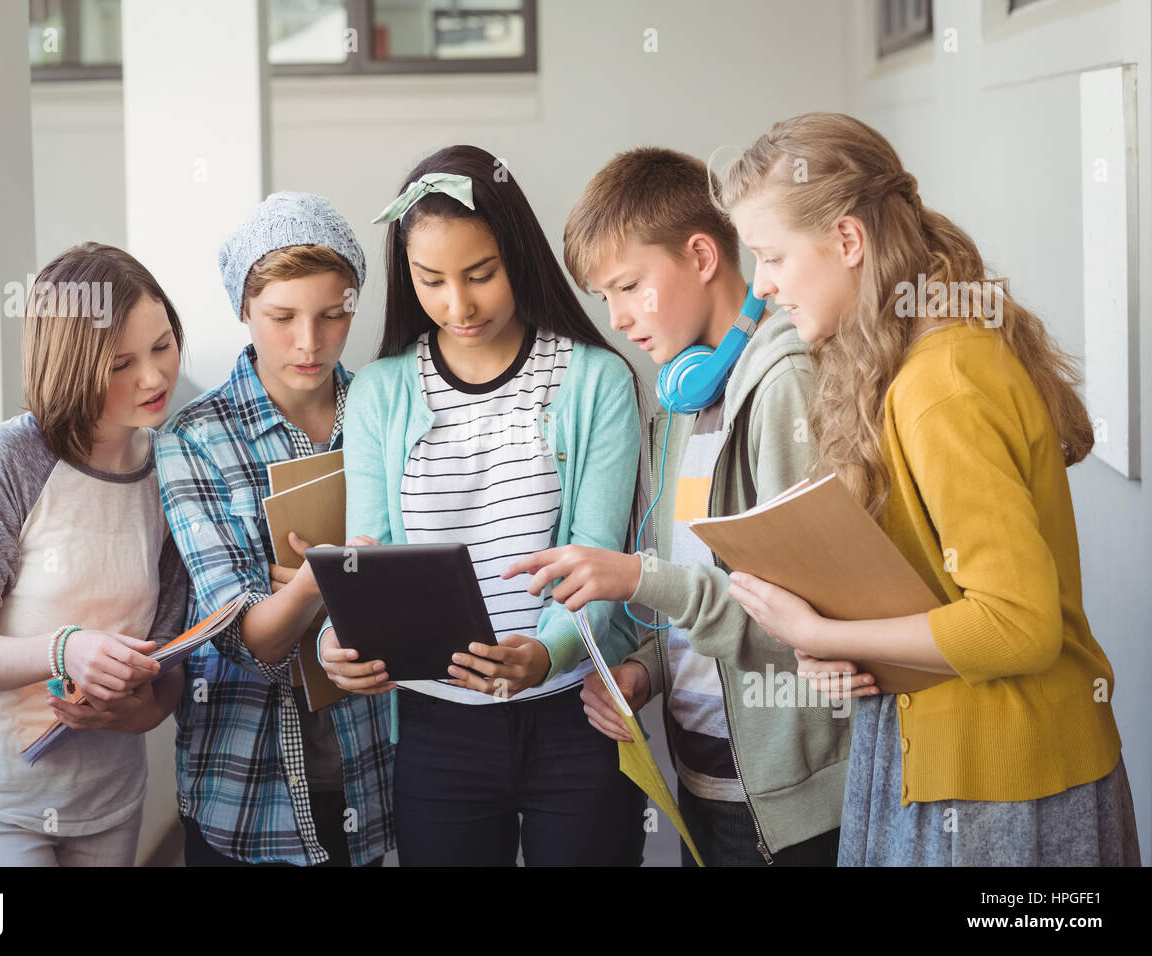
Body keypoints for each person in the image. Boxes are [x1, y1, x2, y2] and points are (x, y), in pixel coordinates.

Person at [718, 112, 1139, 866]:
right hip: (935, 752)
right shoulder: (892, 354)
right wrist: (855, 653)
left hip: (1005, 780)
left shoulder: (940, 382)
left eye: (772, 255)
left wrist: (823, 636)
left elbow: (1018, 628)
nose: (763, 286)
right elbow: (938, 597)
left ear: (847, 241)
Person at [509, 146, 853, 866]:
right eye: (606, 297)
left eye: (630, 286)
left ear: (701, 254)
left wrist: (634, 579)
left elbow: (798, 618)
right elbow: (698, 581)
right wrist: (646, 671)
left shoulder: (783, 379)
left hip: (790, 804)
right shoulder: (682, 395)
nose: (618, 318)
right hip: (710, 779)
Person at [319, 145, 646, 866]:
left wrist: (543, 655)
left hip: (576, 712)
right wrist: (332, 646)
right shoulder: (379, 393)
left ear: (518, 257)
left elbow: (597, 564)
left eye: (481, 275)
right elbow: (363, 561)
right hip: (438, 729)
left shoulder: (596, 382)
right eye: (430, 281)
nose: (458, 306)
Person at [0, 242, 189, 866]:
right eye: (122, 362)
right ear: (71, 364)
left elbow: (170, 662)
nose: (153, 378)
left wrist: (139, 710)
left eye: (162, 345)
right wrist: (64, 648)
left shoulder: (175, 466)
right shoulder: (8, 460)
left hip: (109, 802)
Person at [155, 192, 392, 867]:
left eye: (333, 314)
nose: (309, 342)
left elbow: (427, 588)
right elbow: (246, 640)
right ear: (243, 311)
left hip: (374, 775)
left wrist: (308, 587)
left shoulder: (385, 410)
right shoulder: (193, 438)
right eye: (282, 317)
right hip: (248, 791)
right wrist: (330, 578)